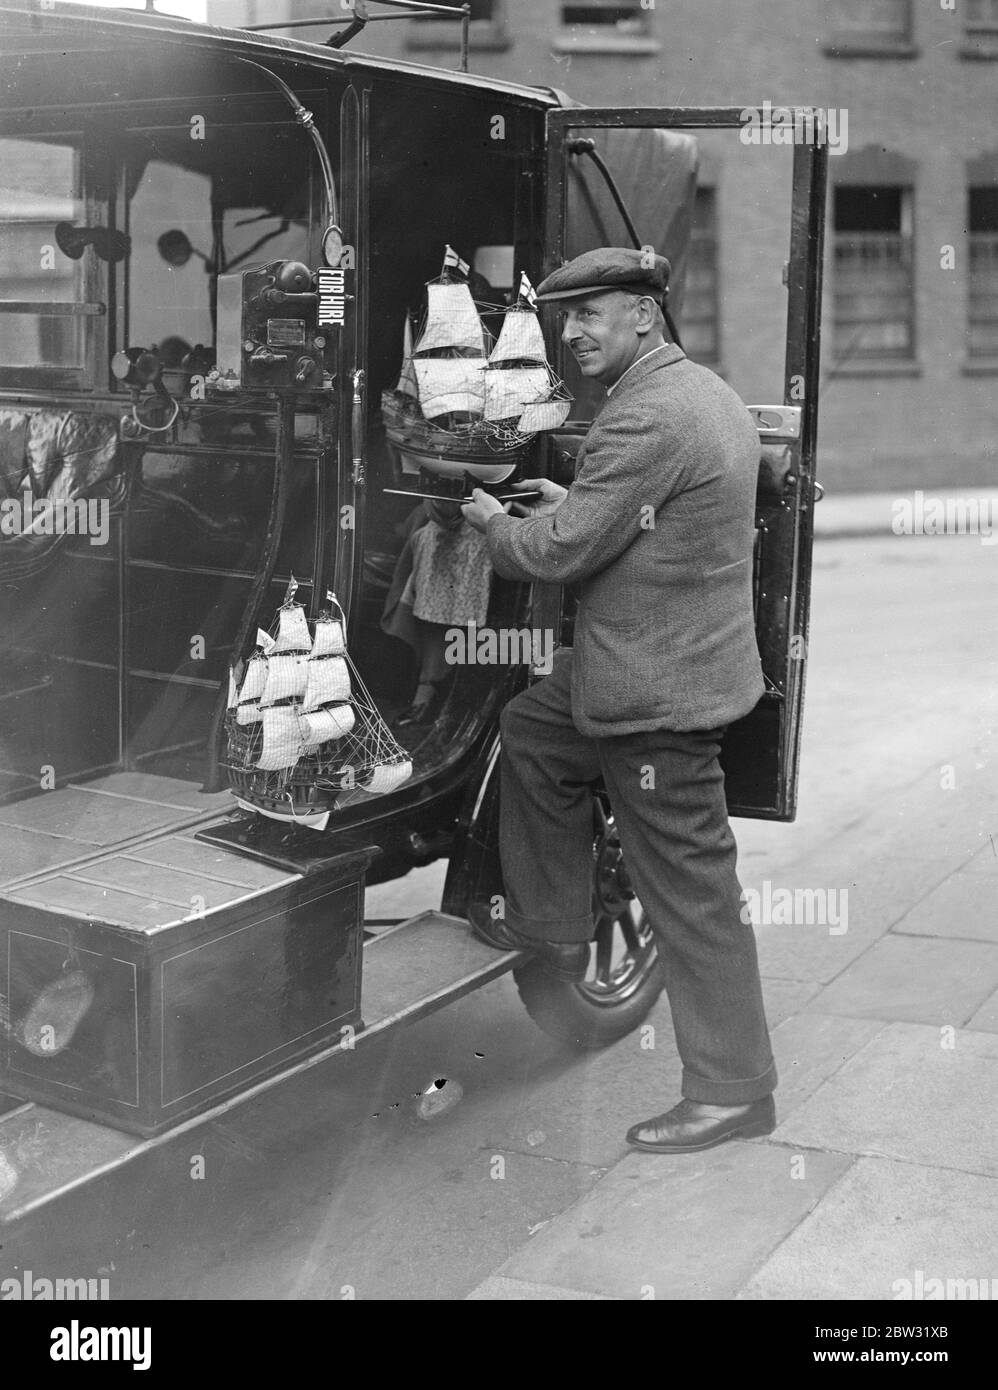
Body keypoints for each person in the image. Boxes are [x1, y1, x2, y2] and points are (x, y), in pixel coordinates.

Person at [460, 246, 777, 1155]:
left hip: (655, 696)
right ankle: (553, 926)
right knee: (533, 731)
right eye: (565, 316)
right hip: (661, 665)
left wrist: (493, 520)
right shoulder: (697, 392)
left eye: (591, 313)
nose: (571, 332)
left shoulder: (645, 419)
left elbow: (556, 554)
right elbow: (643, 513)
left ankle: (732, 1091)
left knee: (692, 897)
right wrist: (573, 499)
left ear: (643, 314)